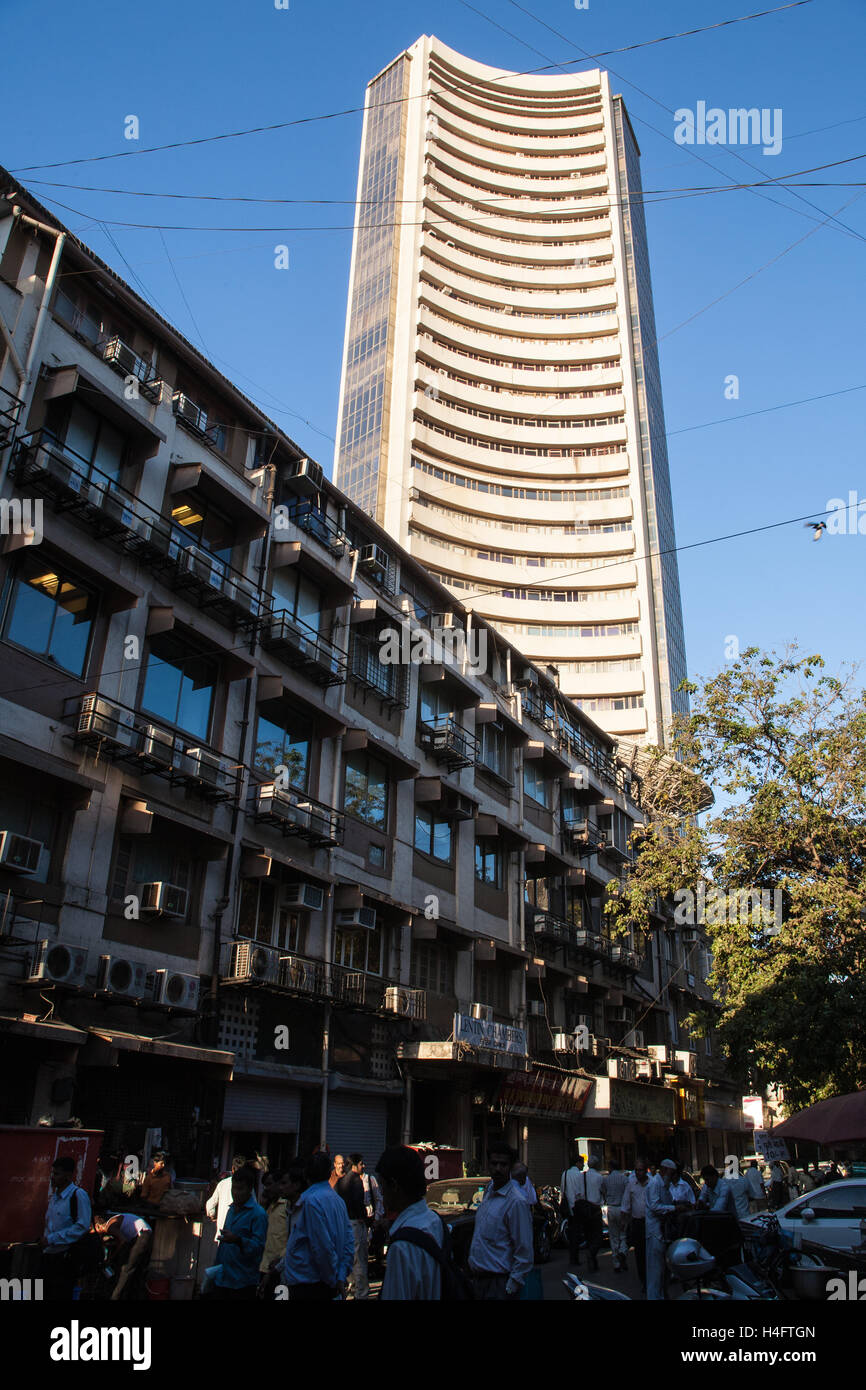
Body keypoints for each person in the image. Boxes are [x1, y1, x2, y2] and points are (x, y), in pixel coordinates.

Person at [283, 1152, 354, 1300]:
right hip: (325, 1282)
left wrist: (332, 1279)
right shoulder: (338, 1201)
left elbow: (323, 1247)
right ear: (330, 1172)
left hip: (311, 1285)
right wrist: (340, 1275)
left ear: (306, 1175)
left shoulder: (310, 1202)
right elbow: (348, 1242)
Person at [467, 1139, 533, 1299]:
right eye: (494, 1163)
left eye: (503, 1164)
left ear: (509, 1167)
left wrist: (510, 1287)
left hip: (499, 1285)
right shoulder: (488, 1191)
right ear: (487, 1164)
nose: (498, 1168)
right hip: (478, 1282)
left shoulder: (516, 1202)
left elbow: (524, 1251)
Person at [377, 1146, 443, 1300]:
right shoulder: (435, 1221)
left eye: (382, 1185)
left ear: (394, 1186)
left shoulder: (402, 1246)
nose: (381, 1193)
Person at [41, 1156, 94, 1300]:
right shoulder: (55, 1197)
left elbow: (82, 1226)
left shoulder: (78, 1195)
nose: (53, 1178)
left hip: (66, 1258)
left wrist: (52, 1239)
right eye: (53, 1174)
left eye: (57, 1174)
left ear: (68, 1176)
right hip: (49, 1256)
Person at [645, 1158, 695, 1301]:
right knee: (655, 1270)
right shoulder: (654, 1184)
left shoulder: (664, 1185)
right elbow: (655, 1207)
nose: (672, 1176)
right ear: (664, 1170)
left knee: (663, 1270)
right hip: (655, 1232)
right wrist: (674, 1208)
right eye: (671, 1173)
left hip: (663, 1231)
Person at [92, 1211, 152, 1300]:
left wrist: (112, 1257)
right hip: (144, 1234)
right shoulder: (113, 1224)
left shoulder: (110, 1227)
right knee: (136, 1270)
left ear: (98, 1226)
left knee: (126, 1269)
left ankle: (115, 1297)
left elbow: (123, 1242)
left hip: (142, 1235)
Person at [338, 1156, 370, 1300]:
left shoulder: (343, 1180)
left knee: (349, 1257)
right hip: (356, 1222)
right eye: (361, 1164)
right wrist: (367, 1220)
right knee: (360, 1260)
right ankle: (361, 1292)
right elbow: (359, 1203)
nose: (364, 1166)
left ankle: (352, 1285)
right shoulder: (356, 1180)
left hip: (345, 1222)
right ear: (355, 1165)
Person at [258, 1170, 289, 1299]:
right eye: (265, 1185)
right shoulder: (268, 1206)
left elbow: (293, 1237)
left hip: (279, 1268)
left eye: (270, 1184)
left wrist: (281, 1258)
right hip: (264, 1266)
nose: (267, 1188)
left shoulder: (287, 1206)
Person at [620, 1159, 650, 1290]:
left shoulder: (653, 1183)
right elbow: (625, 1205)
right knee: (640, 1254)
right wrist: (623, 1222)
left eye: (641, 1170)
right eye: (636, 1170)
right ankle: (644, 1281)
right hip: (637, 1223)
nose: (639, 1172)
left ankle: (653, 1280)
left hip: (651, 1223)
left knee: (652, 1254)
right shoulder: (631, 1185)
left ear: (646, 1170)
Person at [206, 1155, 247, 1240]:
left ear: (232, 1169)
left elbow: (210, 1205)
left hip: (223, 1233)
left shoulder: (223, 1184)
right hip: (237, 1235)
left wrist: (212, 1215)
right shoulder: (248, 1186)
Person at [603, 1161, 630, 1272]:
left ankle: (616, 1263)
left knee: (613, 1236)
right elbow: (628, 1193)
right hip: (622, 1208)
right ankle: (623, 1252)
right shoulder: (624, 1179)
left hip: (611, 1207)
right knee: (623, 1233)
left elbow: (603, 1191)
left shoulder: (606, 1179)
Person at [561, 1151, 587, 1266]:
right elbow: (581, 1192)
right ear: (578, 1163)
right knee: (578, 1233)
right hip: (577, 1206)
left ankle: (572, 1257)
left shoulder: (565, 1174)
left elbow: (562, 1190)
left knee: (572, 1233)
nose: (583, 1166)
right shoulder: (579, 1176)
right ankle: (575, 1258)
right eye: (582, 1163)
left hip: (568, 1207)